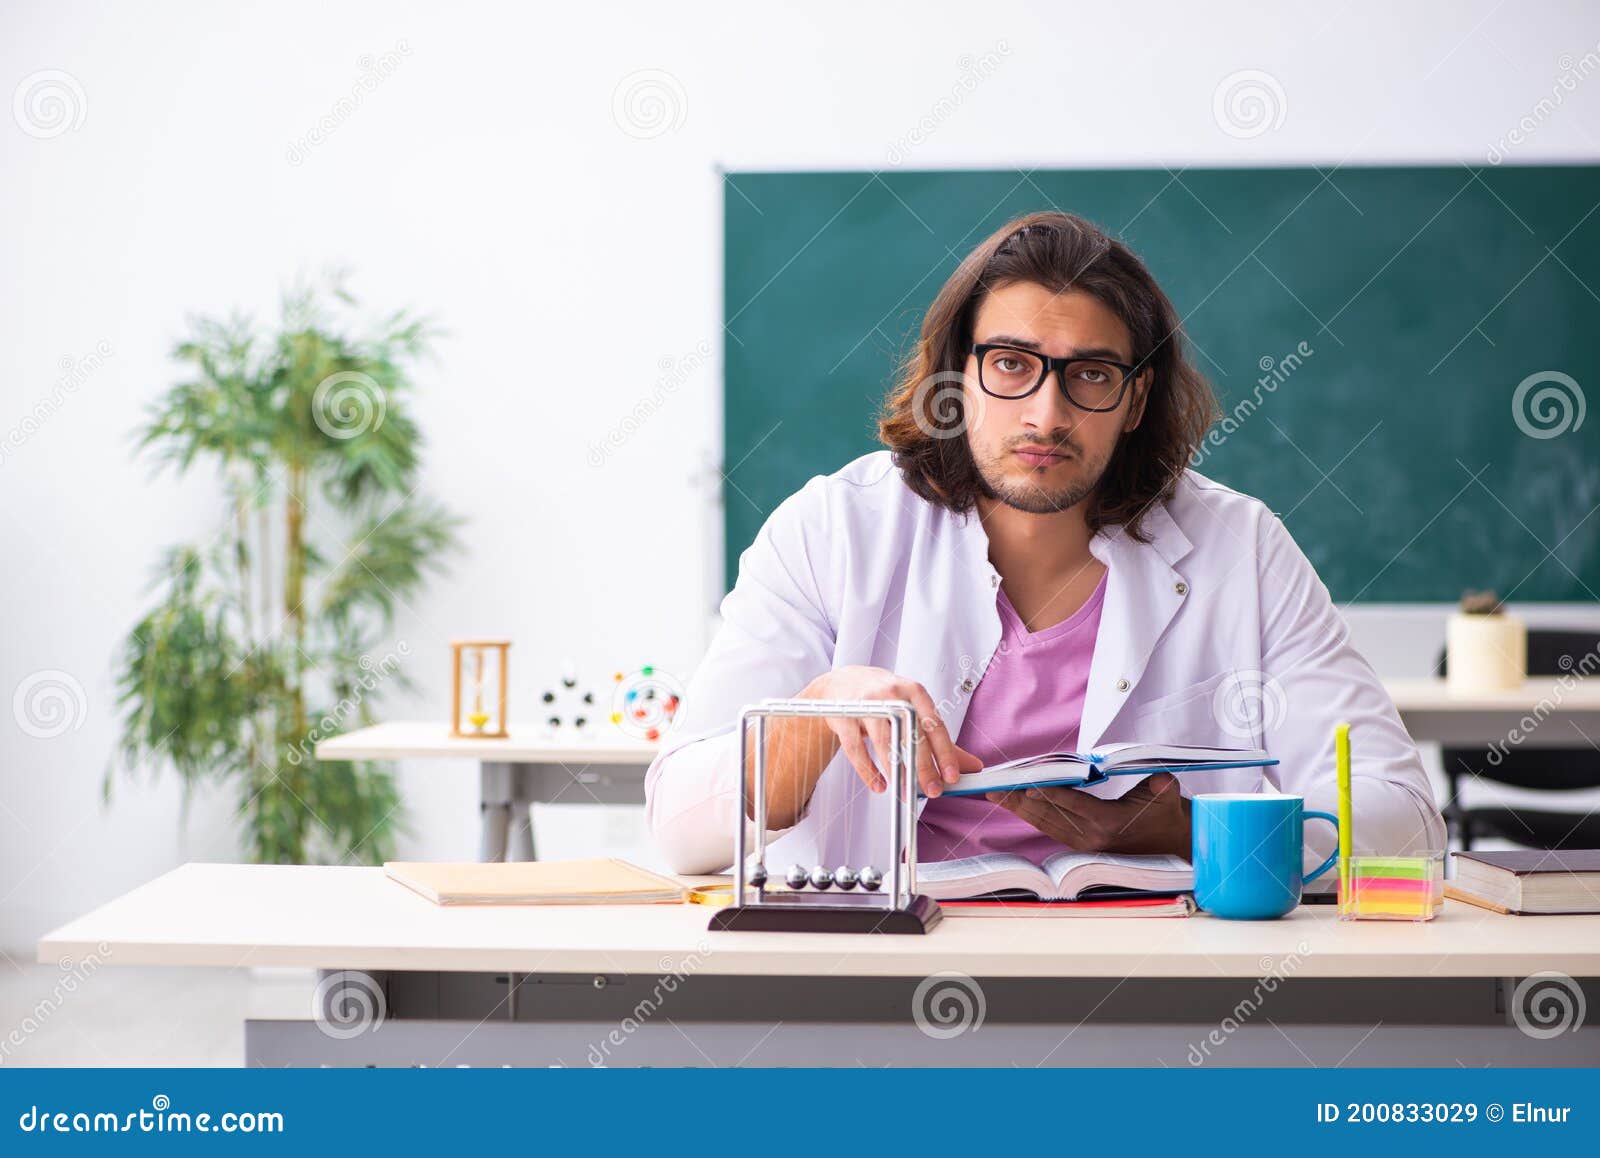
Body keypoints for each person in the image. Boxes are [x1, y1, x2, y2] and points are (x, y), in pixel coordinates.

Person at [645, 209, 1445, 880]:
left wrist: (1190, 833)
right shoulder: (834, 531)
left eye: (1090, 375)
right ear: (958, 377)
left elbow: (1406, 823)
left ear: (1136, 399)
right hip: (890, 966)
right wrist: (815, 713)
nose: (1046, 415)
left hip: (1163, 968)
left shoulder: (1240, 546)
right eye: (1011, 365)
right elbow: (680, 830)